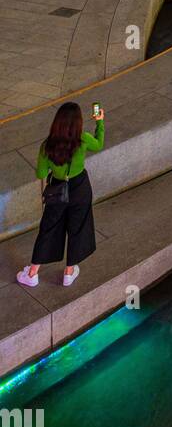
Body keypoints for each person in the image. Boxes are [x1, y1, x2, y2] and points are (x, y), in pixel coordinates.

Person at [17, 100, 105, 289]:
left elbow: (40, 174)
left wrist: (52, 169)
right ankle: (69, 272)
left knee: (48, 228)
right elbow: (98, 145)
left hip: (57, 190)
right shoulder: (83, 139)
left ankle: (32, 273)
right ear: (79, 122)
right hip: (80, 187)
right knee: (78, 227)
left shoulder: (47, 146)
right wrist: (100, 122)